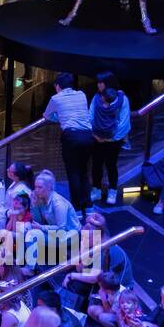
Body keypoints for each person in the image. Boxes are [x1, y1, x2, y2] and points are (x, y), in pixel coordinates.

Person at [44, 73, 94, 213]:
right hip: (88, 136)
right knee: (84, 171)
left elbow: (47, 115)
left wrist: (60, 119)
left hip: (71, 137)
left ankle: (77, 209)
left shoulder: (55, 98)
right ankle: (89, 207)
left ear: (58, 86)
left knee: (73, 173)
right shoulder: (81, 95)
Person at [89, 71, 130, 206]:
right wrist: (95, 135)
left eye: (101, 82)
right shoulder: (96, 98)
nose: (98, 85)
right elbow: (90, 117)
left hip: (113, 140)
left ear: (108, 83)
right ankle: (96, 190)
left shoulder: (122, 99)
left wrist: (110, 139)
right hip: (97, 138)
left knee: (111, 165)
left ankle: (112, 190)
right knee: (96, 165)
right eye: (98, 82)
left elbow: (124, 123)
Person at [28, 169, 81, 238]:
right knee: (26, 228)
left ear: (49, 187)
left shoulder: (58, 203)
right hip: (55, 234)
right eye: (35, 187)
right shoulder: (41, 199)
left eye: (40, 187)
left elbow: (61, 229)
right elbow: (38, 221)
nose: (36, 190)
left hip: (70, 235)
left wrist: (41, 227)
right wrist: (34, 205)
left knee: (32, 235)